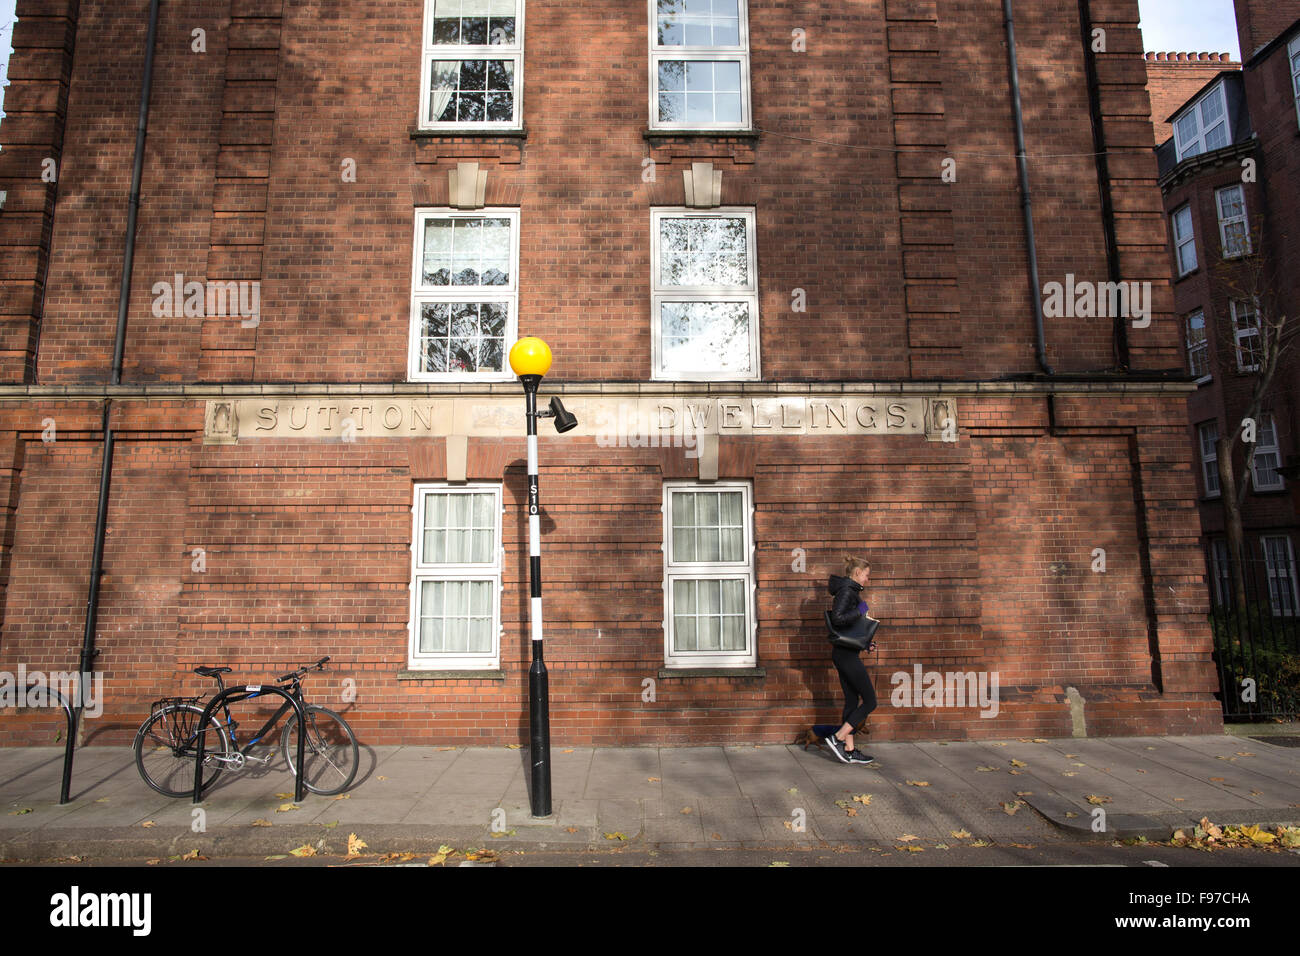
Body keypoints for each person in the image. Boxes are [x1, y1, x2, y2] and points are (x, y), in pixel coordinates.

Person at [823, 556, 877, 765]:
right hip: (845, 655)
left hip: (845, 652)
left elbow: (850, 629)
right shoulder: (847, 592)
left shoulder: (849, 591)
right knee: (870, 701)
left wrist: (865, 644)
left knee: (853, 701)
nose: (867, 579)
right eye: (866, 575)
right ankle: (838, 738)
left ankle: (849, 749)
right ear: (857, 574)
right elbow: (838, 619)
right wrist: (860, 611)